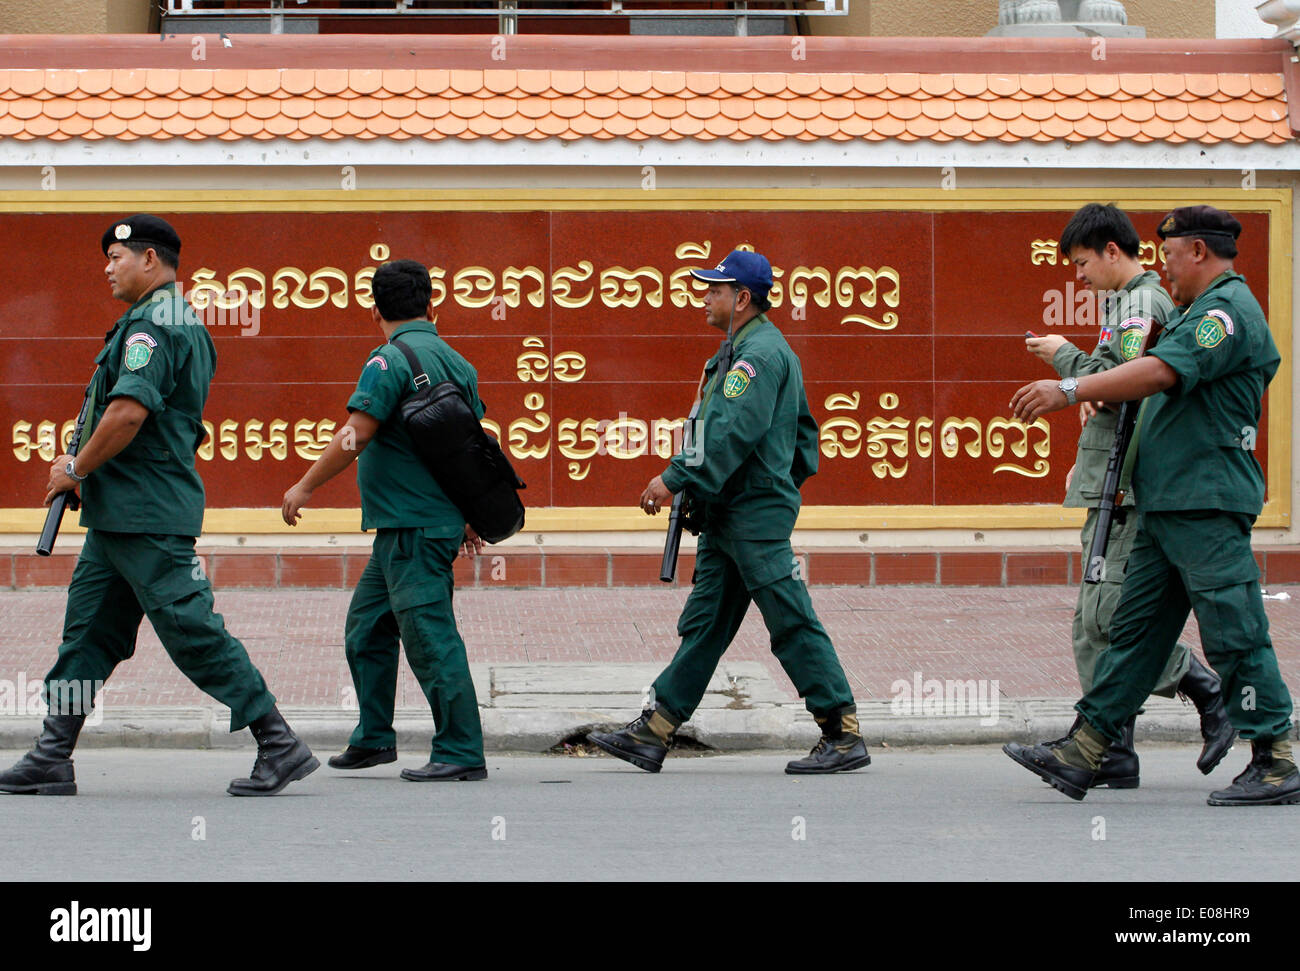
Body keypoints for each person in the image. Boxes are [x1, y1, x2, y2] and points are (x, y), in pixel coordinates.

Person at [0, 214, 317, 797]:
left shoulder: (155, 324)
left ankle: (278, 741)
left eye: (116, 256)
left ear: (150, 260)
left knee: (191, 629)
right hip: (118, 518)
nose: (107, 267)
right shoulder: (153, 320)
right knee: (88, 635)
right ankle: (53, 753)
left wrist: (74, 468)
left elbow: (126, 413)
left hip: (147, 514)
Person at [1004, 205, 1298, 806]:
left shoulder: (1223, 313)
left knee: (1235, 630)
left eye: (1169, 257)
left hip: (1205, 501)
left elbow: (1160, 371)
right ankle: (1086, 749)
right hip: (1166, 505)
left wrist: (1069, 386)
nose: (1162, 269)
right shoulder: (1194, 309)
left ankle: (1276, 757)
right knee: (1134, 635)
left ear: (1197, 252)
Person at [587, 248, 869, 775]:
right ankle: (656, 729)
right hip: (730, 513)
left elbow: (727, 431)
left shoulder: (755, 357)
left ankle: (842, 731)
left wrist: (676, 478)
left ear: (742, 298)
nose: (706, 297)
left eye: (715, 289)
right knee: (707, 625)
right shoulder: (743, 349)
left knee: (790, 620)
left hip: (752, 517)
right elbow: (803, 437)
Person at [1024, 203, 1233, 788]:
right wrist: (1076, 365)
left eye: (1084, 262)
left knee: (1109, 615)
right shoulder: (1127, 304)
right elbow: (1113, 374)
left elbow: (1123, 382)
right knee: (1094, 620)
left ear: (1112, 251)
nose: (1080, 276)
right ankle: (1110, 747)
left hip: (1126, 486)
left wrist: (1067, 369)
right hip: (1111, 481)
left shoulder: (1141, 303)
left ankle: (1200, 686)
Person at [282, 259, 487, 782]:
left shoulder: (387, 361)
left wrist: (306, 485)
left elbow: (357, 433)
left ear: (374, 310)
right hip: (409, 527)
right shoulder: (456, 361)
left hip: (414, 528)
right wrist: (467, 514)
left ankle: (461, 749)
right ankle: (374, 739)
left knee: (429, 634)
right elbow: (470, 447)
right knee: (368, 626)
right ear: (431, 306)